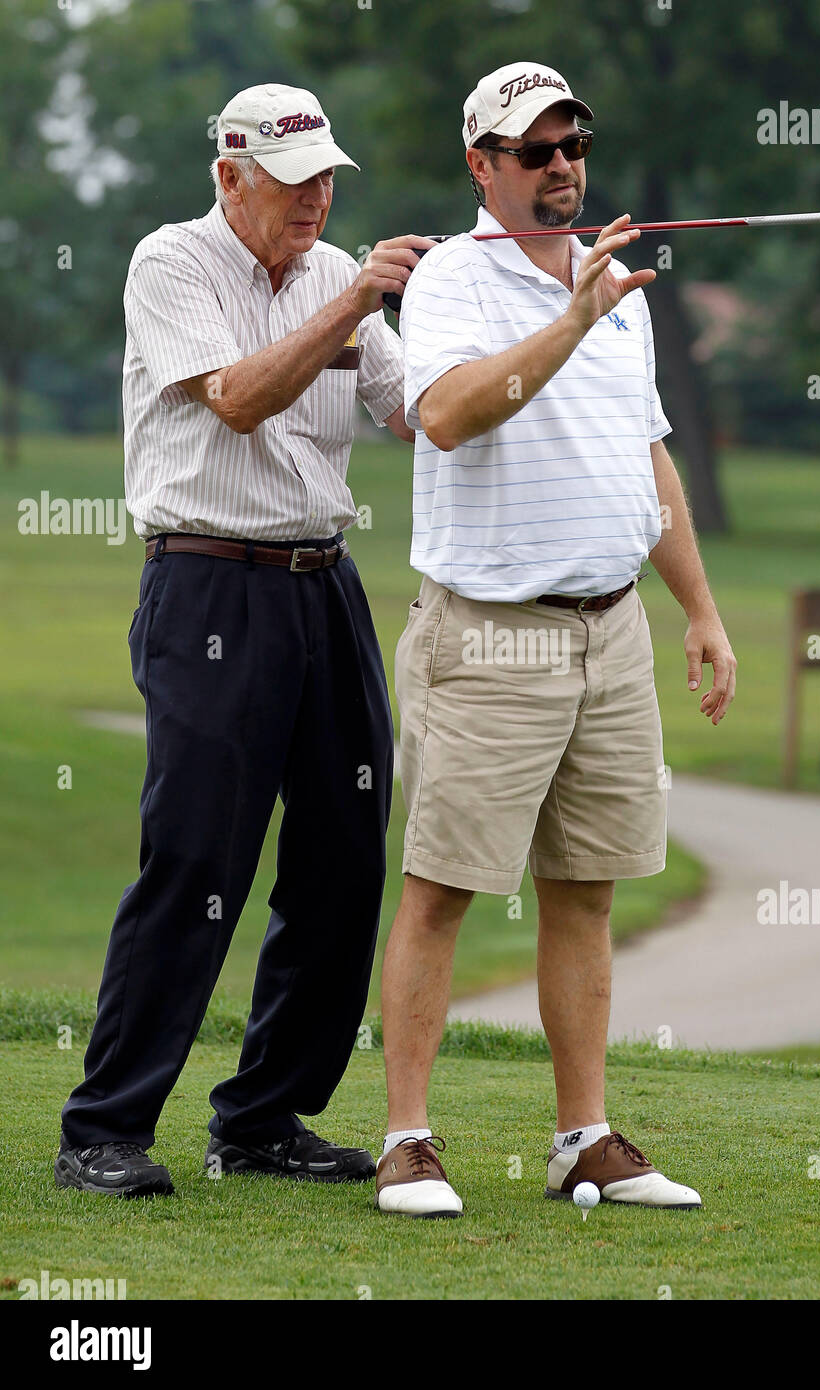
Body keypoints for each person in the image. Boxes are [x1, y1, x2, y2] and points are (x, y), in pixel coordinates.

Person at [57, 83, 435, 1197]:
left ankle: (263, 1116)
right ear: (230, 176)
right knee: (195, 860)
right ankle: (105, 1130)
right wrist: (354, 299)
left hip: (326, 585)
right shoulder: (170, 262)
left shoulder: (338, 274)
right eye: (291, 179)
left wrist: (548, 326)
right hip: (207, 585)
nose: (315, 198)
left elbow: (416, 409)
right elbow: (234, 396)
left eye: (325, 177)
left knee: (341, 859)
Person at [375, 63, 737, 1219]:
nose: (560, 167)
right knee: (441, 890)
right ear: (481, 165)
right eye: (533, 152)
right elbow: (445, 413)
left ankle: (580, 1137)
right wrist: (571, 319)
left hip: (608, 630)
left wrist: (700, 607)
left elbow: (647, 457)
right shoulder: (444, 279)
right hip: (487, 636)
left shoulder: (613, 287)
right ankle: (405, 1141)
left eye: (571, 145)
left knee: (586, 891)